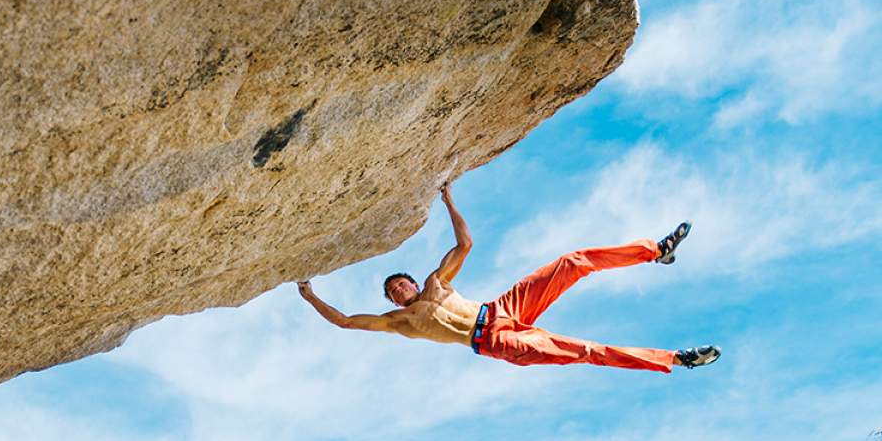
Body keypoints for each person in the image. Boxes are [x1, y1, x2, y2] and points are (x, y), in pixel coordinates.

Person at [296, 181, 720, 373]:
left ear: (411, 282)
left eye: (400, 284)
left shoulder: (436, 282)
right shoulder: (398, 322)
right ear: (393, 302)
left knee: (571, 262)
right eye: (393, 292)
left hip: (501, 309)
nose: (399, 291)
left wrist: (448, 199)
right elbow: (346, 321)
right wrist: (309, 294)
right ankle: (675, 358)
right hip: (493, 340)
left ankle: (655, 251)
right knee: (586, 350)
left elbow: (465, 245)